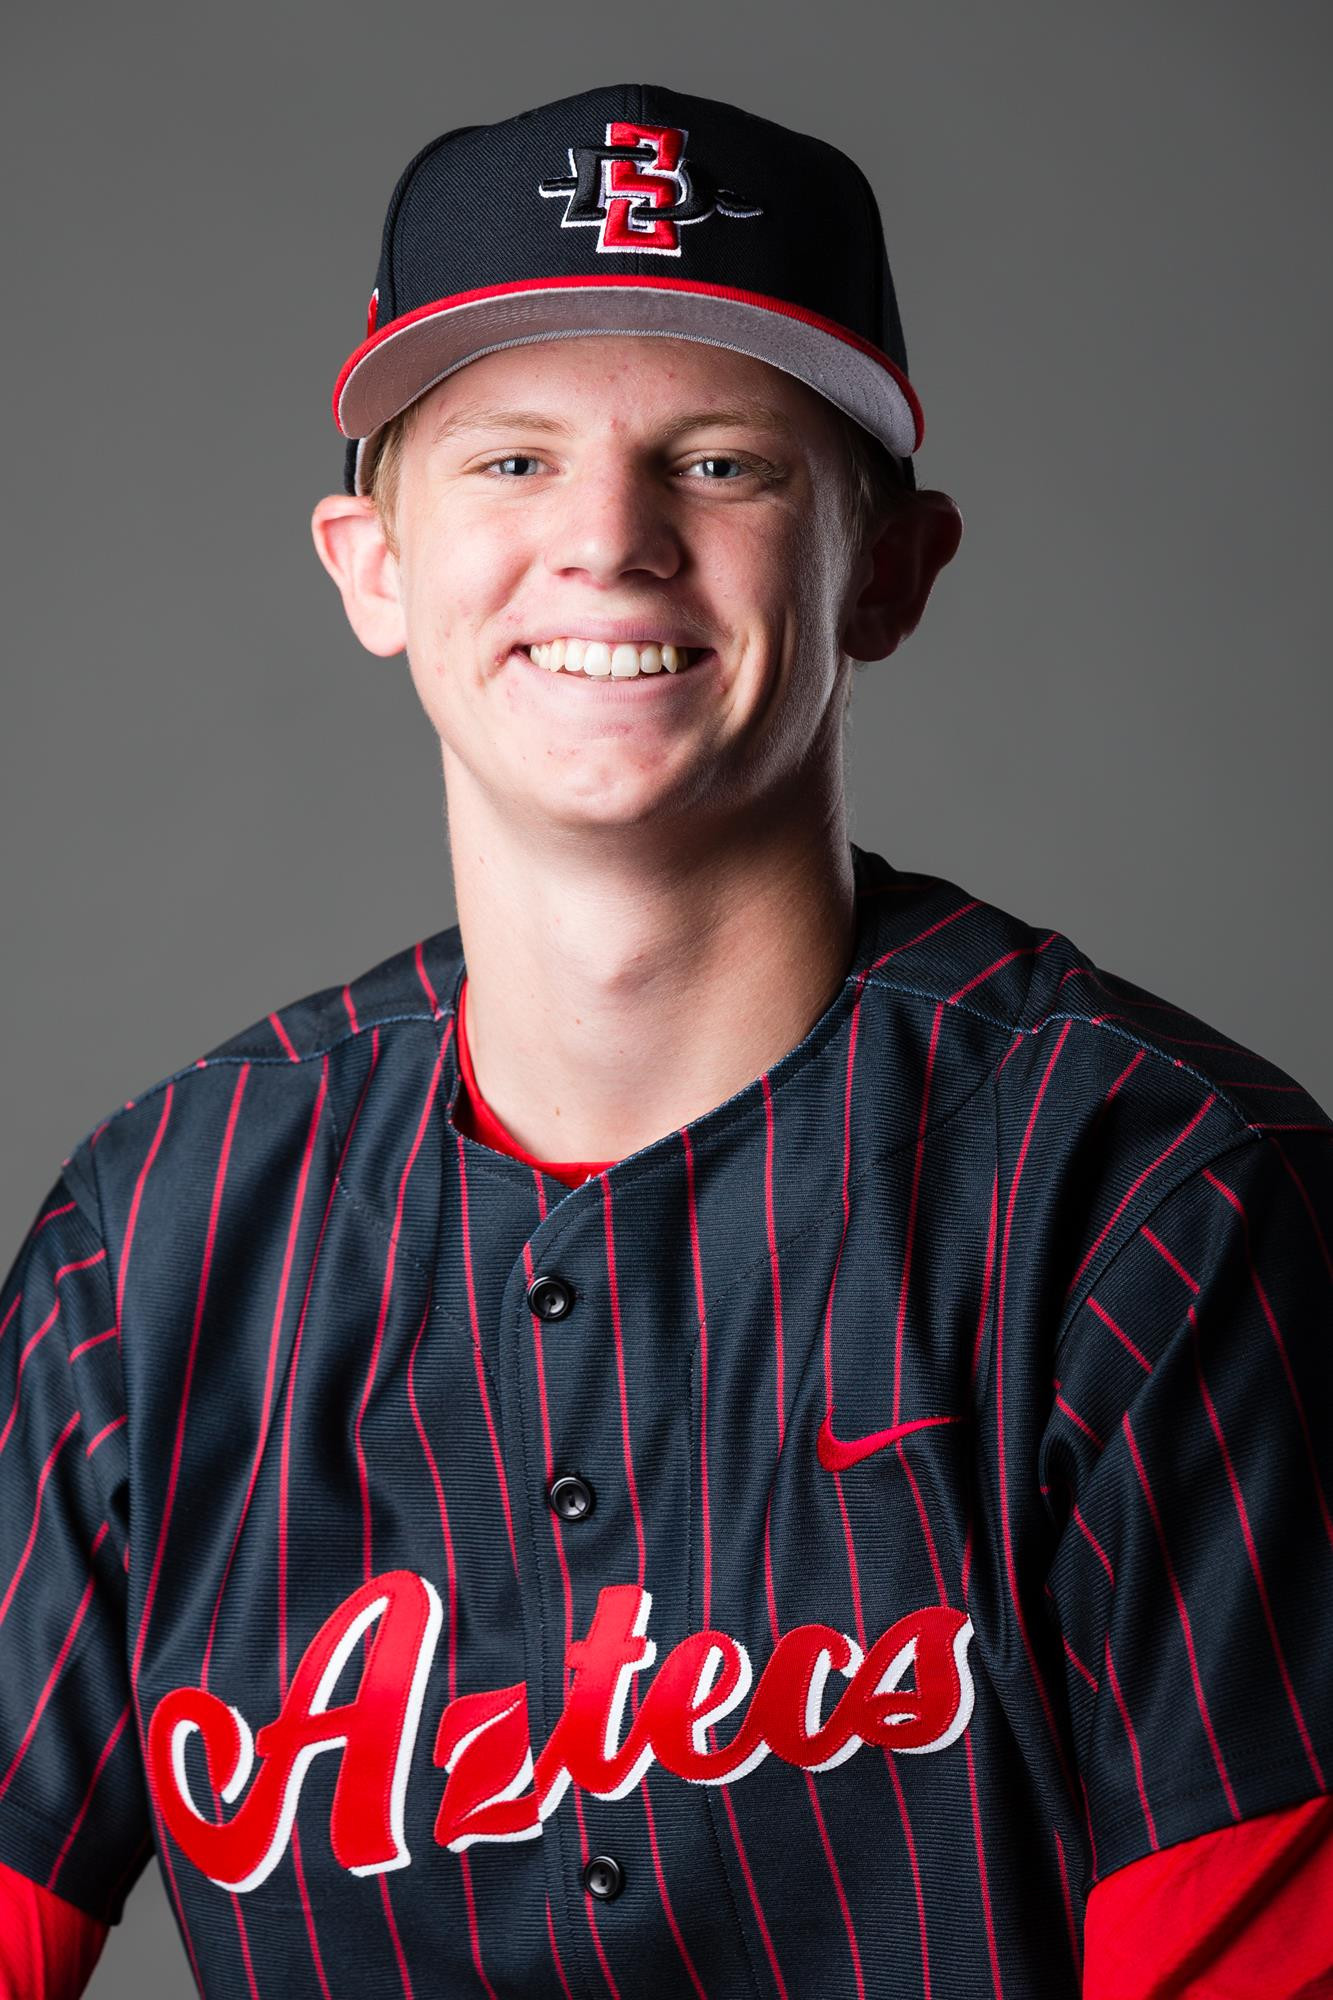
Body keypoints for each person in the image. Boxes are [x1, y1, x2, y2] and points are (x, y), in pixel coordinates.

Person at [0, 80, 1329, 2000]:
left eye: (721, 463)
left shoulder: (1148, 1198)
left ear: (889, 567)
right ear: (371, 567)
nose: (606, 542)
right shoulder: (159, 1247)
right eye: (508, 461)